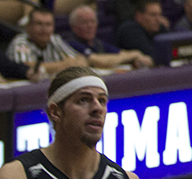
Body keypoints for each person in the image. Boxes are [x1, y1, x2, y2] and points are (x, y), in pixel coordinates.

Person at [0, 67, 139, 179]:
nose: (97, 108)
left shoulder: (125, 177)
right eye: (83, 100)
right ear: (55, 112)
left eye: (102, 101)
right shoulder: (17, 174)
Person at [65, 6, 154, 68]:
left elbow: (120, 53)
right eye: (84, 22)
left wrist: (138, 56)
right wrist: (134, 54)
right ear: (74, 27)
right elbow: (98, 61)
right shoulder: (71, 44)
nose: (89, 26)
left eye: (92, 22)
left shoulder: (98, 43)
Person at [6, 8, 87, 76]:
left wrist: (76, 62)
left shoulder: (54, 39)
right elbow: (27, 67)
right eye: (39, 24)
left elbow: (79, 58)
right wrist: (64, 65)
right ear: (28, 27)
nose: (44, 28)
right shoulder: (20, 43)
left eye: (48, 24)